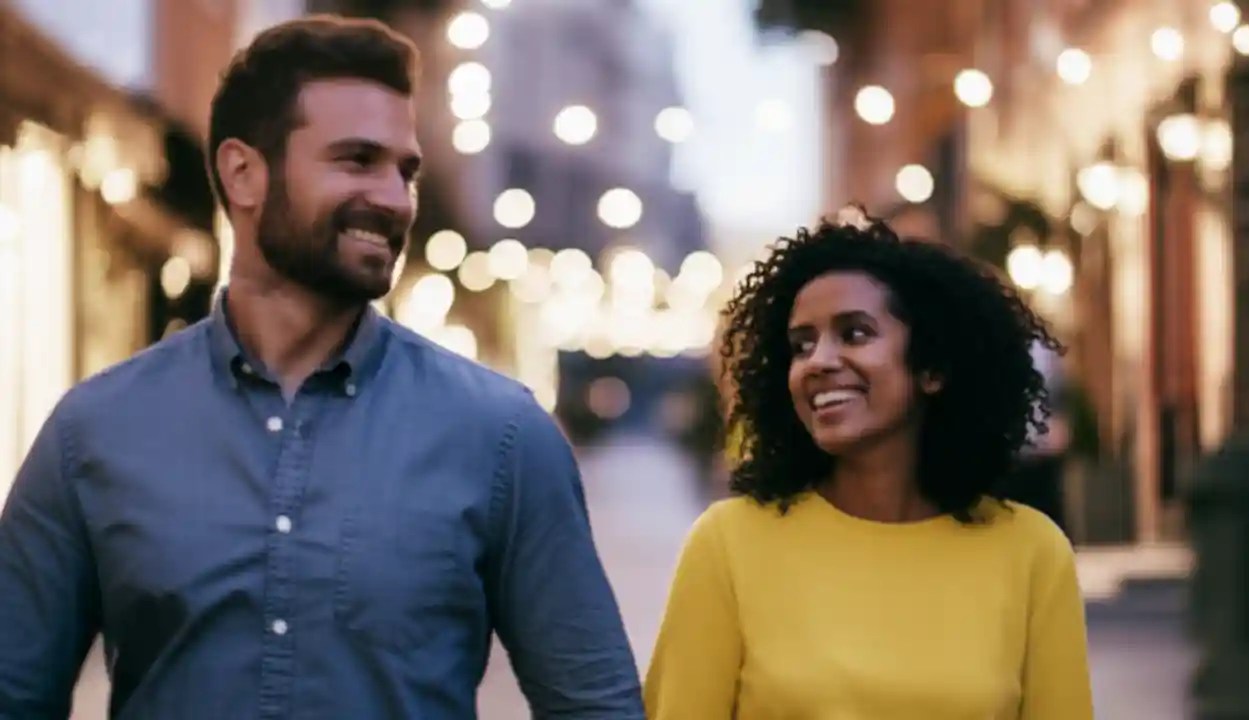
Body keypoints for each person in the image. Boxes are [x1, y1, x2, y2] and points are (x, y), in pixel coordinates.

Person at [0, 16, 642, 719]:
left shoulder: (502, 437)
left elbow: (595, 707)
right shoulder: (95, 432)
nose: (394, 198)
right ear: (243, 173)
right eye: (357, 160)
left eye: (406, 170)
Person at [644, 208, 1093, 719]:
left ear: (932, 367)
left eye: (854, 333)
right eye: (801, 345)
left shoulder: (1032, 552)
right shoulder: (727, 545)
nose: (818, 362)